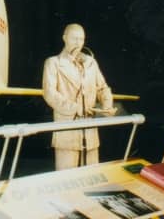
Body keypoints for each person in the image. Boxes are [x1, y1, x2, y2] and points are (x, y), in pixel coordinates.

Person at [42, 23, 116, 170]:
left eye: (81, 39)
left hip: (90, 134)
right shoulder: (53, 63)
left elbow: (102, 87)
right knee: (66, 179)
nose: (78, 43)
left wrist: (107, 104)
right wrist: (75, 108)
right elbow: (49, 94)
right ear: (64, 38)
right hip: (66, 133)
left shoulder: (91, 62)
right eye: (74, 38)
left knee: (92, 178)